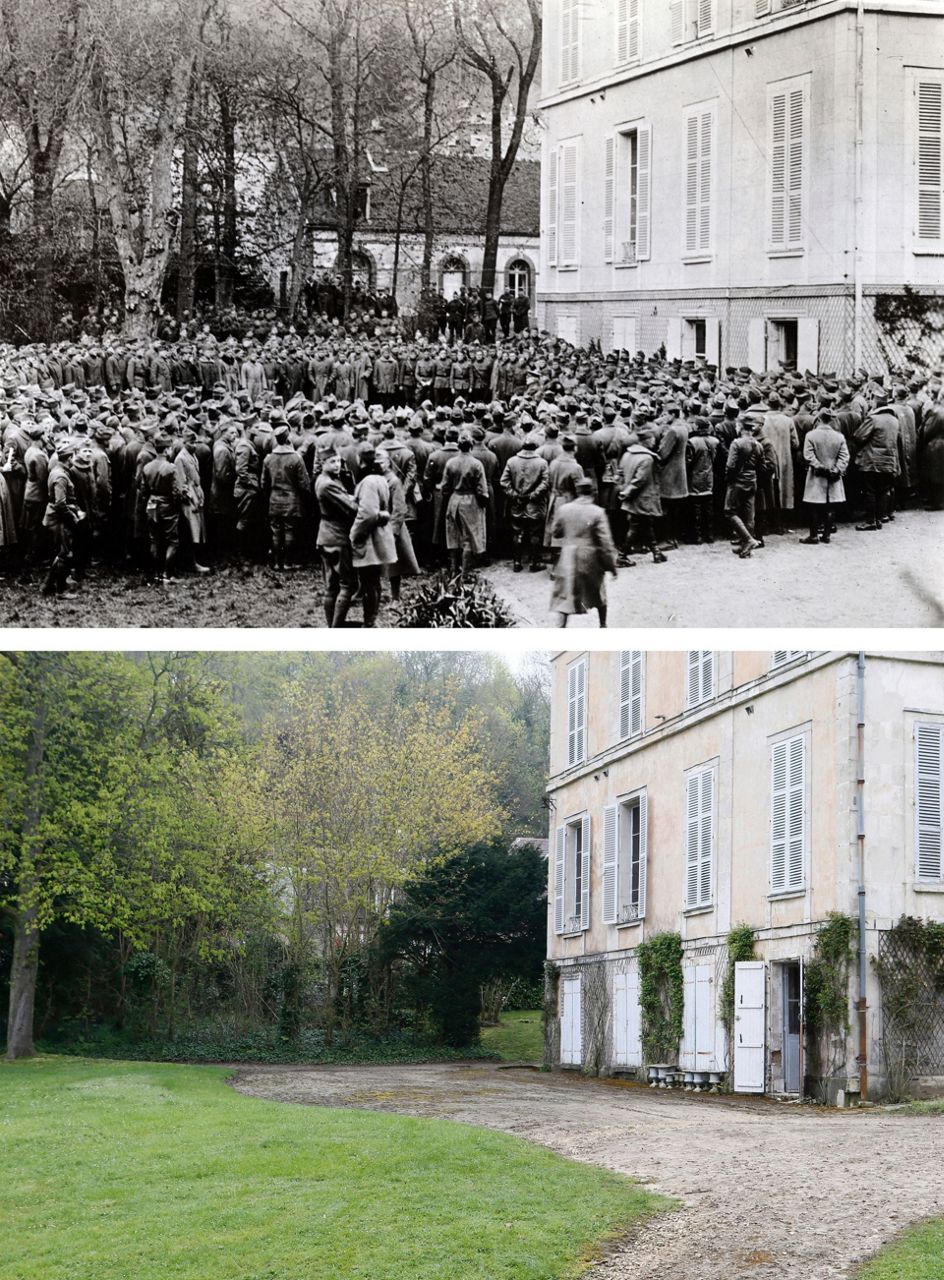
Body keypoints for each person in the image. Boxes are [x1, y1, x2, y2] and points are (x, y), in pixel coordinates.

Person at [549, 477, 618, 627]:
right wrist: (612, 567)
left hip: (568, 558)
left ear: (578, 492)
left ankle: (560, 630)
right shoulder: (597, 512)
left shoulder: (564, 509)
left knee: (565, 598)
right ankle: (603, 625)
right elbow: (606, 543)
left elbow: (555, 532)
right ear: (592, 492)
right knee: (600, 595)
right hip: (590, 559)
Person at [350, 446, 397, 626]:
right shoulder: (379, 477)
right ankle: (370, 620)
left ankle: (369, 622)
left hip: (370, 537)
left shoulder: (368, 481)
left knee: (369, 581)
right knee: (373, 580)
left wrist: (355, 533)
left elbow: (368, 513)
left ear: (359, 458)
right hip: (378, 534)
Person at [314, 452, 357, 626]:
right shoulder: (328, 485)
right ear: (323, 463)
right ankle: (336, 627)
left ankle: (332, 625)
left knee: (331, 586)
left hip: (326, 535)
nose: (337, 465)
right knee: (347, 584)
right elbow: (351, 507)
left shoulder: (323, 480)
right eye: (332, 461)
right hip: (336, 537)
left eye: (339, 461)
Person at [441, 430, 489, 575]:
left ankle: (454, 568)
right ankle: (465, 572)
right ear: (471, 445)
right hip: (470, 501)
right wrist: (483, 502)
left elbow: (444, 487)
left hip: (454, 499)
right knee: (469, 537)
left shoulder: (451, 463)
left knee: (453, 535)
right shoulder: (476, 464)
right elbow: (482, 489)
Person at [800, 407, 849, 544]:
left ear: (819, 419)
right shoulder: (839, 436)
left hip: (816, 475)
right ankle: (826, 535)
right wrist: (836, 469)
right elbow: (844, 456)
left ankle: (813, 535)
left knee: (814, 505)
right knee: (831, 505)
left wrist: (820, 467)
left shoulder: (811, 435)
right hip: (834, 475)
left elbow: (808, 455)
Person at [724, 415, 766, 557]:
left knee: (730, 512)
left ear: (741, 427)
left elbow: (730, 466)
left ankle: (748, 540)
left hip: (737, 482)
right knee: (749, 515)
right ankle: (745, 545)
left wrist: (729, 479)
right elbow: (762, 467)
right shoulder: (758, 444)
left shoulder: (736, 443)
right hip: (752, 481)